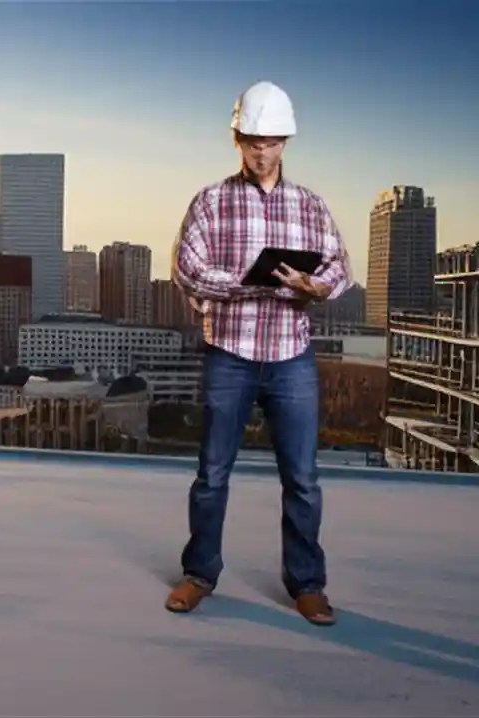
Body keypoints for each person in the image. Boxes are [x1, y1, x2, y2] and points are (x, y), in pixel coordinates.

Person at [165, 80, 351, 626]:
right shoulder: (210, 201)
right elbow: (188, 269)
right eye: (250, 139)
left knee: (303, 479)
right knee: (212, 474)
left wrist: (316, 288)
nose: (260, 150)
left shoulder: (310, 206)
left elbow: (339, 268)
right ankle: (199, 574)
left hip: (291, 356)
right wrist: (253, 285)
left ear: (285, 142)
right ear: (236, 137)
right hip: (230, 351)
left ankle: (308, 584)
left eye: (269, 141)